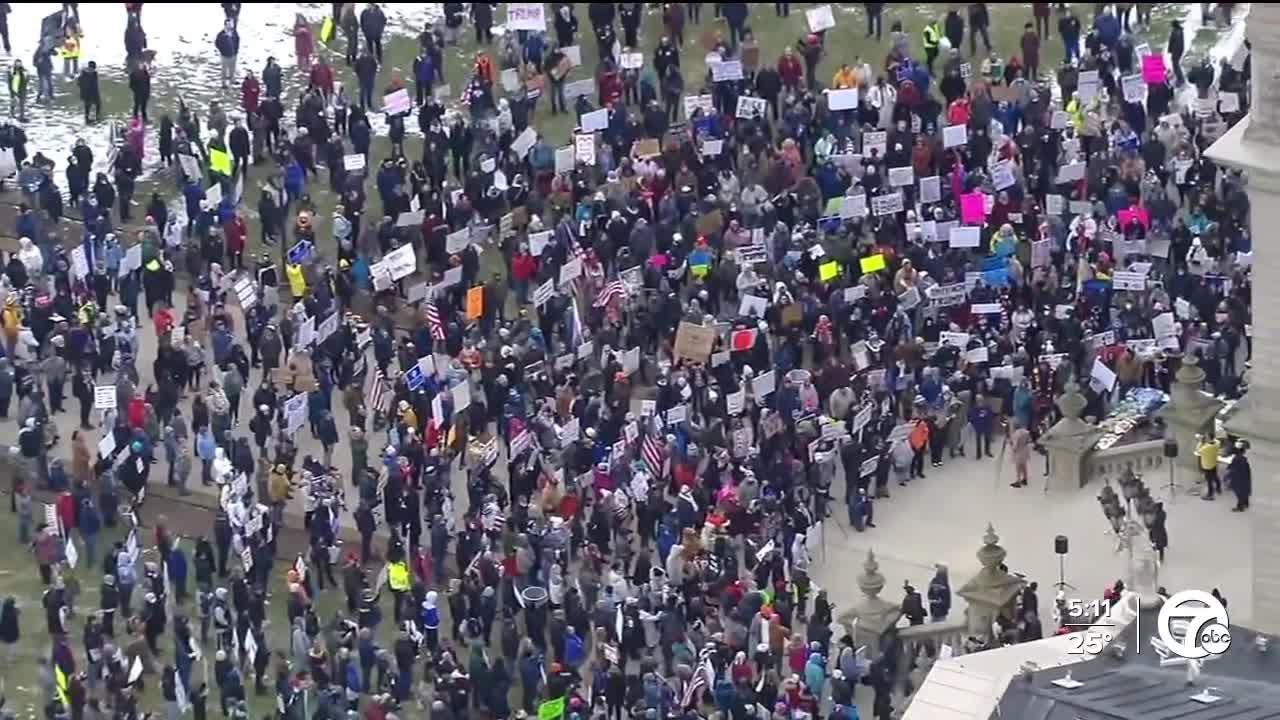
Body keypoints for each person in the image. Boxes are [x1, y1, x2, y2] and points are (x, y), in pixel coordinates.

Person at [215, 20, 239, 89]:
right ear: (225, 25)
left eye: (230, 24)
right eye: (228, 24)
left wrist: (236, 50)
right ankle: (223, 83)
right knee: (224, 70)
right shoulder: (221, 34)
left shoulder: (234, 32)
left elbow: (238, 40)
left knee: (232, 68)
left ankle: (232, 80)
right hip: (224, 55)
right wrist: (222, 51)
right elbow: (217, 43)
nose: (229, 26)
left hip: (234, 54)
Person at [1196, 433, 1221, 500]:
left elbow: (1198, 451)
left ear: (1209, 438)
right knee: (1215, 476)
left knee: (1209, 480)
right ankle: (1219, 488)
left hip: (1207, 465)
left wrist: (1200, 442)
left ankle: (1210, 494)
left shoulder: (1206, 448)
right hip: (1214, 463)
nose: (1205, 438)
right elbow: (1215, 441)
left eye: (1206, 437)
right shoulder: (1217, 443)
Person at [1229, 439, 1251, 511]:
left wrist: (1229, 477)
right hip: (1245, 477)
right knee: (1244, 490)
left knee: (1239, 492)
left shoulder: (1238, 458)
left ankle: (1240, 507)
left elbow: (1233, 469)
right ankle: (1245, 503)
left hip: (1239, 478)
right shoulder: (1243, 458)